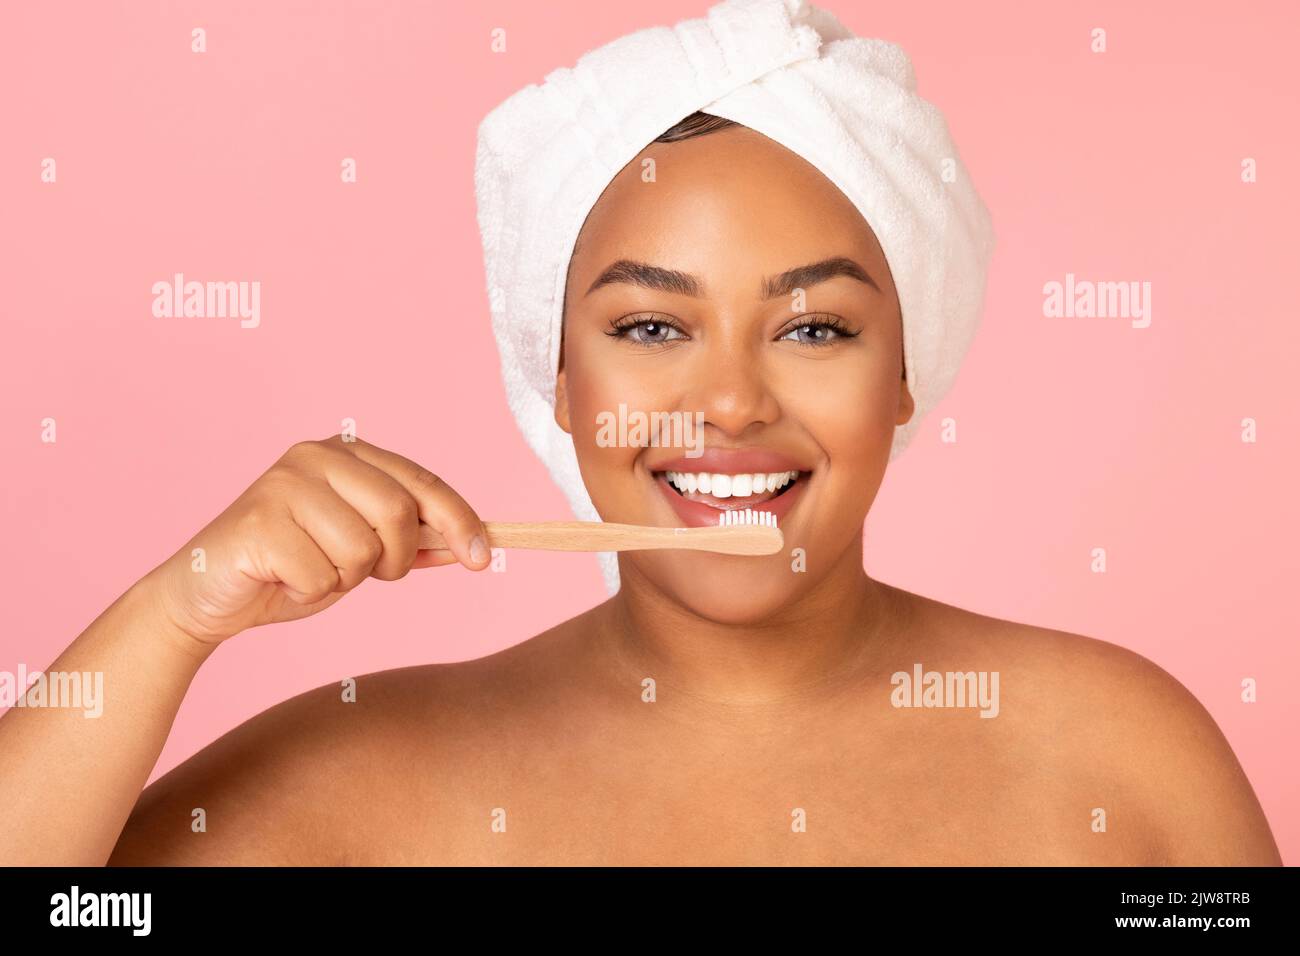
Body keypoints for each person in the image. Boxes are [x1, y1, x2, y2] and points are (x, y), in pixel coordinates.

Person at [0, 8, 1282, 867]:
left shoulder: (1121, 752)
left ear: (908, 371)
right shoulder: (349, 780)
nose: (728, 405)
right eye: (653, 329)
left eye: (816, 329)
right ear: (556, 378)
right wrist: (176, 613)